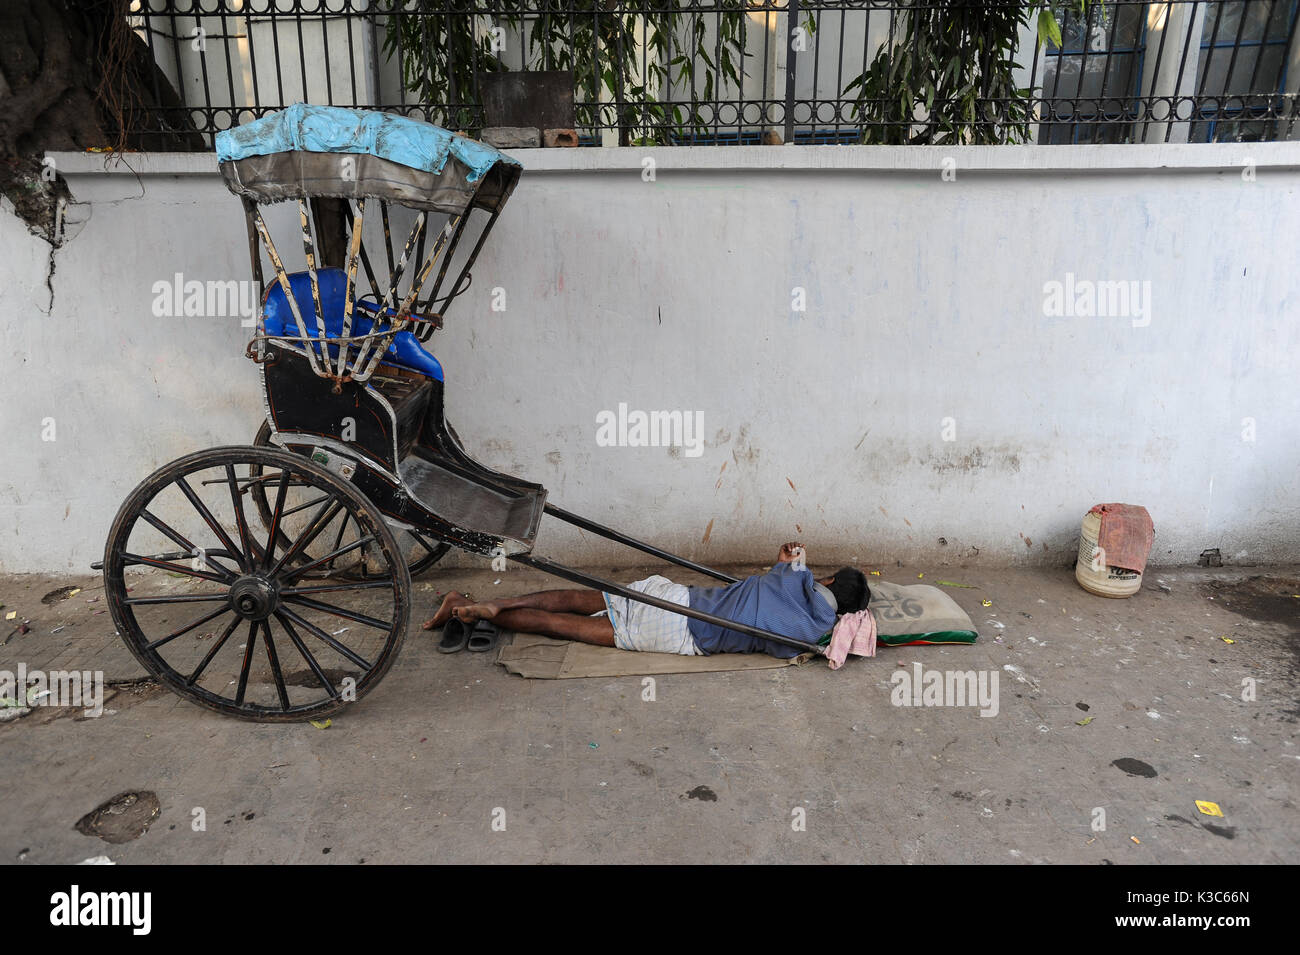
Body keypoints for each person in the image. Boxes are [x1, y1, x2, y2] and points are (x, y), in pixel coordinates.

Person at [422, 542, 870, 658]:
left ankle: (494, 603)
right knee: (563, 628)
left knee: (575, 598)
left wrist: (786, 565)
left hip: (674, 596)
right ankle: (491, 614)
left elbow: (781, 574)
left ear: (827, 580)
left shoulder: (794, 577)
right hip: (677, 633)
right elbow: (777, 635)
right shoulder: (812, 633)